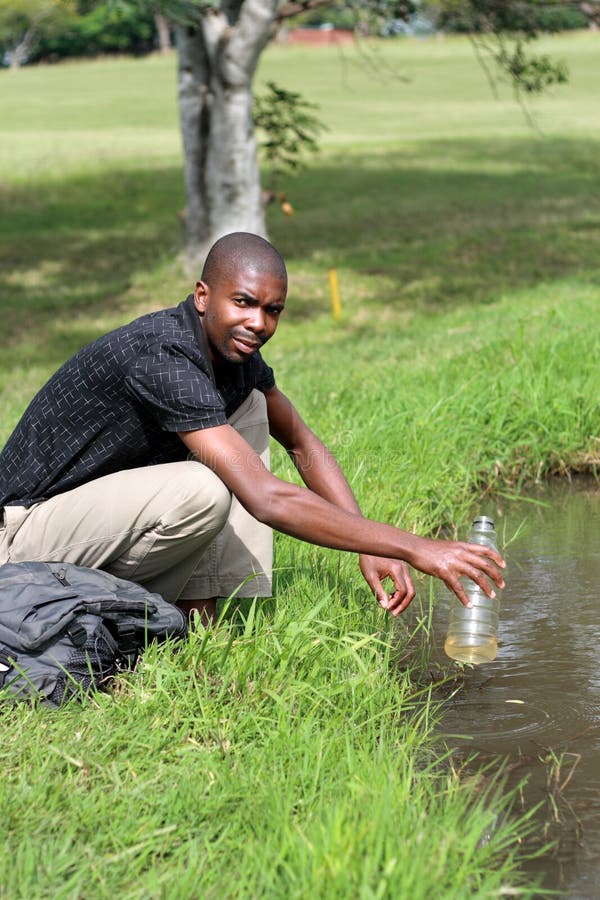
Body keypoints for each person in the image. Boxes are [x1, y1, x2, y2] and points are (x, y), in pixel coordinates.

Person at [0, 232, 504, 624]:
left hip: (82, 520)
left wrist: (370, 547)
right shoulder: (163, 356)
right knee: (200, 489)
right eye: (243, 302)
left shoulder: (231, 356)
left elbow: (302, 442)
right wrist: (412, 545)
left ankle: (204, 618)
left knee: (251, 409)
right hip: (20, 540)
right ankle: (153, 615)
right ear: (202, 295)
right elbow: (267, 499)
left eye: (272, 310)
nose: (259, 323)